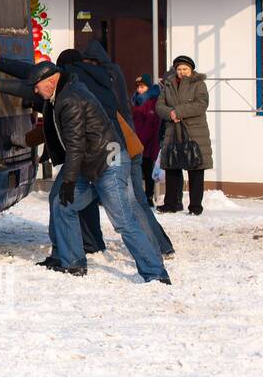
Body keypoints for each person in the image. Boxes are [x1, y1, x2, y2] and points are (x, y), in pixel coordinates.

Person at [28, 60, 171, 284]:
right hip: (91, 163)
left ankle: (155, 273)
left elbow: (76, 145)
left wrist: (69, 181)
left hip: (109, 163)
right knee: (63, 204)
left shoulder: (70, 100)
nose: (35, 91)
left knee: (123, 220)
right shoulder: (62, 93)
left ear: (50, 80)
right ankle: (72, 262)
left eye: (37, 86)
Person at [0, 41, 105, 255]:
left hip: (98, 154)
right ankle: (75, 250)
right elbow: (30, 77)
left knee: (117, 210)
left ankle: (70, 255)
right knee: (78, 203)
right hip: (105, 152)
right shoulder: (84, 82)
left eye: (39, 86)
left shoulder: (68, 92)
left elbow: (70, 140)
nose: (36, 90)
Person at [75, 42, 174, 257]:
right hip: (130, 143)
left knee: (131, 202)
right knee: (138, 201)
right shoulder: (113, 73)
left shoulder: (102, 77)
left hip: (121, 144)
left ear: (92, 63)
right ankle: (162, 245)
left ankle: (153, 249)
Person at [157, 55, 213, 215]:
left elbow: (201, 104)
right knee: (172, 167)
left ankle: (195, 206)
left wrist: (178, 111)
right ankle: (171, 203)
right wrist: (170, 113)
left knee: (195, 168)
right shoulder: (168, 84)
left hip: (194, 131)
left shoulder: (199, 84)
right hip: (173, 131)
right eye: (179, 69)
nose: (182, 72)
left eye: (185, 69)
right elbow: (159, 105)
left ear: (191, 70)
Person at [131, 75, 161, 204]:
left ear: (148, 87)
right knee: (139, 170)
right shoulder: (138, 102)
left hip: (147, 143)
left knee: (147, 170)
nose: (139, 89)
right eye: (138, 87)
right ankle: (140, 195)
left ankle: (149, 196)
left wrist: (139, 141)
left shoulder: (152, 102)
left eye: (142, 86)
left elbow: (150, 126)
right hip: (138, 141)